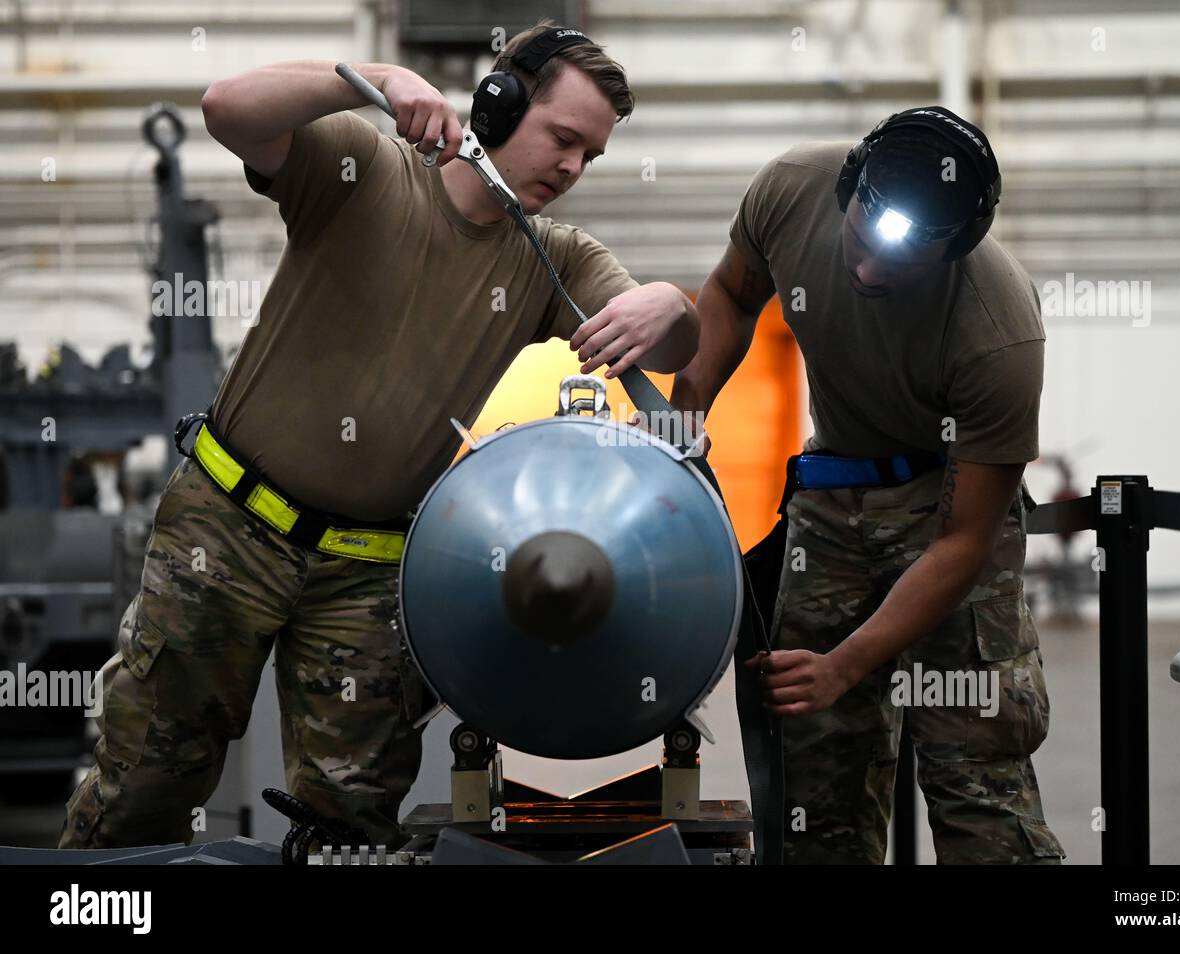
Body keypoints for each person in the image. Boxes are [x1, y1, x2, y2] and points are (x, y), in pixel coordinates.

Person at [60, 22, 698, 850]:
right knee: (145, 780)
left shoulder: (557, 260)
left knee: (351, 829)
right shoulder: (364, 170)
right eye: (564, 139)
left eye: (592, 157)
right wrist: (373, 76)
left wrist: (671, 306)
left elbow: (679, 349)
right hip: (227, 531)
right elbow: (228, 109)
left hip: (366, 572)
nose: (573, 169)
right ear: (498, 105)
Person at [672, 107, 1065, 864]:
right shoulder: (793, 188)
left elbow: (964, 544)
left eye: (905, 260)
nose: (868, 272)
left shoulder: (998, 332)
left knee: (977, 777)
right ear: (849, 191)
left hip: (944, 508)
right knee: (814, 788)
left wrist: (846, 665)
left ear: (957, 248)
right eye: (862, 239)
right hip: (830, 503)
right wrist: (686, 414)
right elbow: (729, 293)